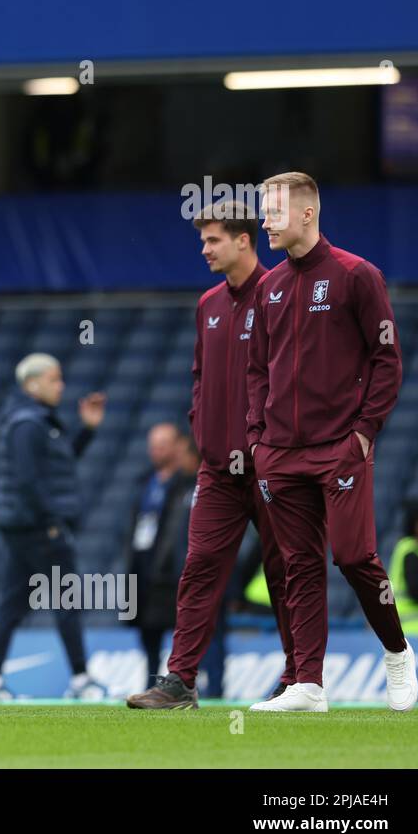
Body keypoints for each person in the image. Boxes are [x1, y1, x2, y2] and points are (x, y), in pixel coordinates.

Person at [246, 171, 416, 712]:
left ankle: (397, 651)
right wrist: (257, 440)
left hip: (340, 447)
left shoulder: (356, 275)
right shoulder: (269, 287)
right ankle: (308, 685)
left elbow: (387, 359)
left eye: (272, 210)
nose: (264, 221)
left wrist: (365, 432)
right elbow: (256, 371)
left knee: (353, 556)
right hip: (280, 454)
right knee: (298, 566)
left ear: (307, 213)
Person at [130, 201, 295, 709]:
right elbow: (200, 377)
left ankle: (300, 678)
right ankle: (180, 681)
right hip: (220, 470)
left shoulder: (281, 296)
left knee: (285, 572)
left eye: (213, 240)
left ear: (244, 240)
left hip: (271, 467)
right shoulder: (208, 305)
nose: (204, 249)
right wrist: (201, 429)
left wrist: (271, 447)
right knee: (199, 569)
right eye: (203, 240)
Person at [0, 352, 108, 701]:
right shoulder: (28, 423)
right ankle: (81, 679)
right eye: (55, 379)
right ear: (32, 383)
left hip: (23, 525)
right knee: (66, 598)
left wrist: (88, 430)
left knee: (12, 601)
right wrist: (53, 521)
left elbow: (57, 464)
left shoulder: (36, 420)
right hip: (37, 527)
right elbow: (28, 481)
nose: (61, 385)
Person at [126, 425, 196, 688]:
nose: (157, 450)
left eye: (163, 443)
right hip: (142, 565)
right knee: (146, 629)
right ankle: (151, 682)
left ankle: (182, 681)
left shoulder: (186, 484)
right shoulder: (144, 482)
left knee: (178, 625)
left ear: (177, 445)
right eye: (153, 444)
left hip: (170, 568)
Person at [387, 500, 418, 635]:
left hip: (417, 631)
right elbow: (415, 591)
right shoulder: (412, 551)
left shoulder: (415, 550)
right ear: (415, 524)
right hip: (417, 631)